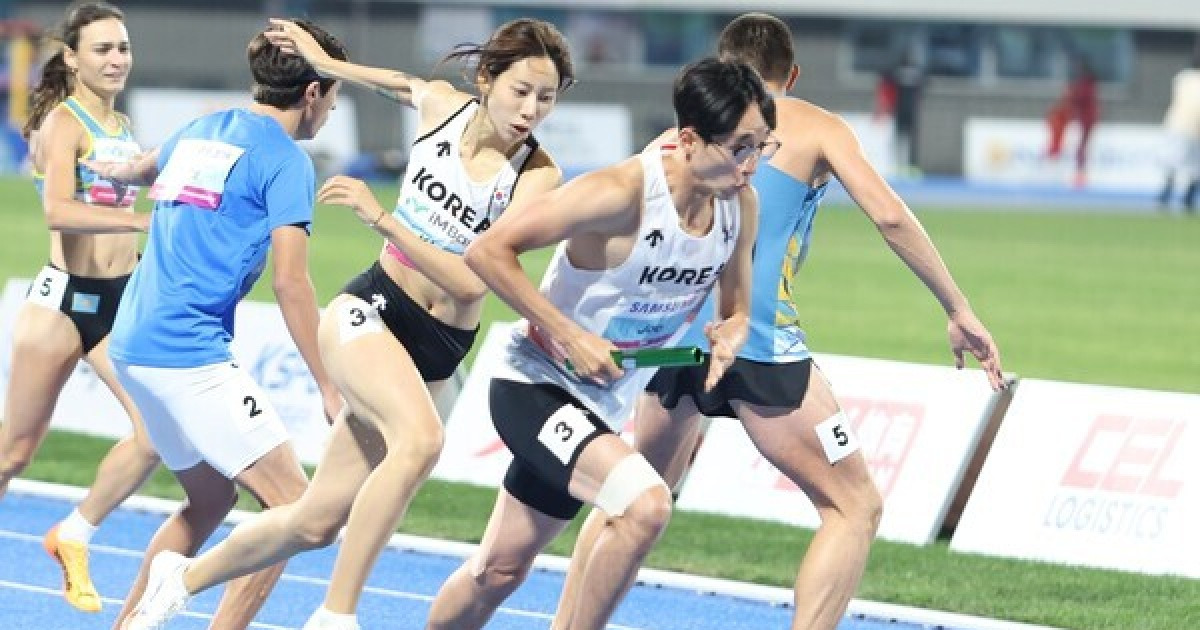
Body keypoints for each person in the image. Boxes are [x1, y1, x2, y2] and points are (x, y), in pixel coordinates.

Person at [555, 14, 1006, 630]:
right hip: (758, 341)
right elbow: (890, 216)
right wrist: (958, 308)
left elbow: (626, 225)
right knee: (854, 506)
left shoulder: (681, 136)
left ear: (722, 67)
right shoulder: (818, 126)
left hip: (672, 338)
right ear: (791, 75)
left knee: (626, 499)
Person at [122, 17, 574, 630]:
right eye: (521, 91)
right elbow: (382, 79)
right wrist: (321, 59)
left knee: (314, 521)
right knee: (421, 441)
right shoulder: (440, 107)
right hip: (373, 310)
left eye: (547, 98)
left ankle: (181, 579)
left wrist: (383, 219)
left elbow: (472, 283)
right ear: (487, 79)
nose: (531, 110)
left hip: (443, 344)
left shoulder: (537, 175)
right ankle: (336, 613)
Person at [425, 56, 767, 630]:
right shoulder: (619, 193)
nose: (751, 166)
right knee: (646, 506)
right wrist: (572, 336)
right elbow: (487, 252)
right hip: (536, 385)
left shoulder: (740, 206)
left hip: (599, 406)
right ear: (689, 139)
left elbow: (736, 310)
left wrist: (730, 333)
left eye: (762, 147)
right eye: (739, 148)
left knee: (499, 571)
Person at [99, 20, 349, 630]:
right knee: (295, 511)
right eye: (334, 95)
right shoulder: (287, 162)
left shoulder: (202, 129)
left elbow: (143, 168)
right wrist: (328, 383)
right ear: (312, 93)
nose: (332, 111)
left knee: (211, 498)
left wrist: (112, 171)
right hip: (187, 352)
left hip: (132, 342)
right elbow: (291, 283)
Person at [0, 2, 161, 614]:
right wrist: (140, 221)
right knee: (13, 453)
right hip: (64, 304)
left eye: (124, 47)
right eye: (103, 49)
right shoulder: (64, 123)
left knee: (154, 436)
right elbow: (59, 212)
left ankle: (73, 532)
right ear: (72, 57)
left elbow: (126, 186)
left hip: (120, 301)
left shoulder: (121, 124)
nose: (118, 59)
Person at [1157, 47, 1200, 213]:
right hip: (1183, 126)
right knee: (1178, 162)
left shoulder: (1182, 78)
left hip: (1182, 126)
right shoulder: (1184, 78)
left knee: (1180, 163)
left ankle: (1181, 195)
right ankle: (1172, 195)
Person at [1046, 55, 1099, 188]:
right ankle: (1075, 172)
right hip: (1080, 118)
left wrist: (1071, 93)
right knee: (1076, 146)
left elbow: (1080, 98)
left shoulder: (1086, 84)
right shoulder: (1083, 83)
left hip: (1086, 119)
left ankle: (1080, 174)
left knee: (1081, 147)